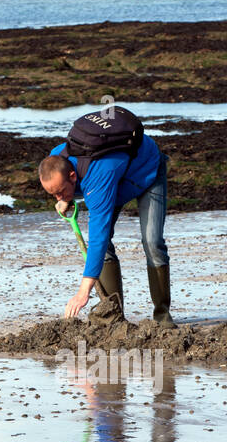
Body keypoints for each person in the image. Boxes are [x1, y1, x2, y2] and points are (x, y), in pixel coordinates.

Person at [37, 108, 174, 326]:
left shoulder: (98, 177)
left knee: (152, 241)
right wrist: (66, 198)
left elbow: (98, 237)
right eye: (52, 193)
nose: (57, 198)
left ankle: (162, 315)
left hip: (147, 172)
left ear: (72, 176)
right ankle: (114, 316)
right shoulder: (58, 159)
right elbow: (99, 237)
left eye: (60, 191)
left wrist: (83, 291)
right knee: (104, 246)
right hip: (117, 182)